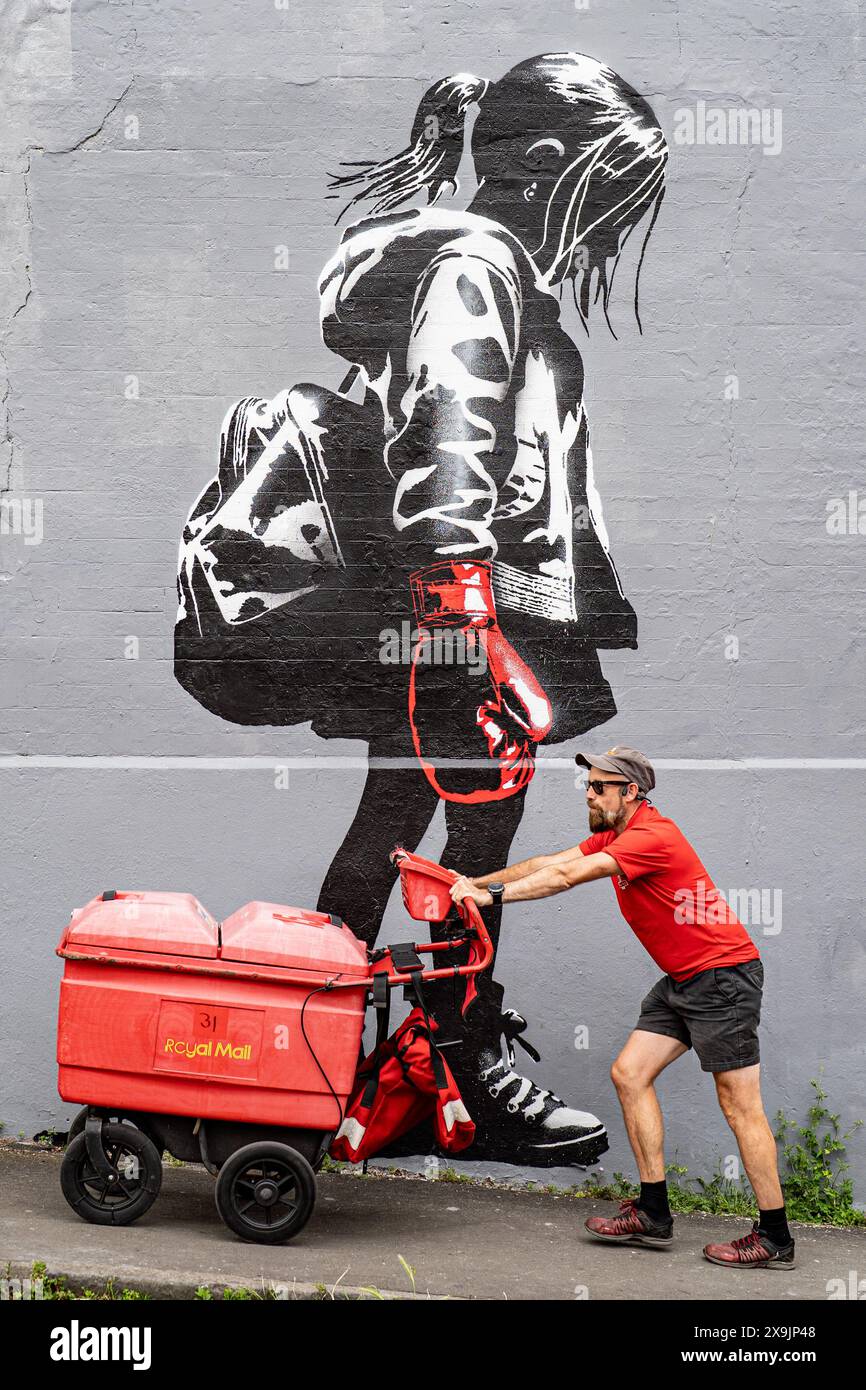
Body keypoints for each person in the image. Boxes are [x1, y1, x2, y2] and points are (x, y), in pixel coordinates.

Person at [174, 54, 668, 1166]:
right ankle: (435, 1059)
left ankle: (315, 1071)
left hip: (461, 613)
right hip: (465, 616)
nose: (614, 234)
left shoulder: (466, 264)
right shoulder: (476, 263)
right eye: (613, 198)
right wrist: (475, 622)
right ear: (546, 168)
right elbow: (452, 435)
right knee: (456, 841)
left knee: (398, 832)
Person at [449, 745, 795, 1269]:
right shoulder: (617, 835)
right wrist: (473, 884)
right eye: (587, 785)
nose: (588, 793)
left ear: (630, 792)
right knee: (630, 1074)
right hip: (684, 980)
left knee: (739, 1106)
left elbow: (566, 879)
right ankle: (653, 1213)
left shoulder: (652, 836)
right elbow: (551, 862)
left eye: (599, 787)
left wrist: (491, 898)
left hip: (723, 978)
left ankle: (775, 1235)